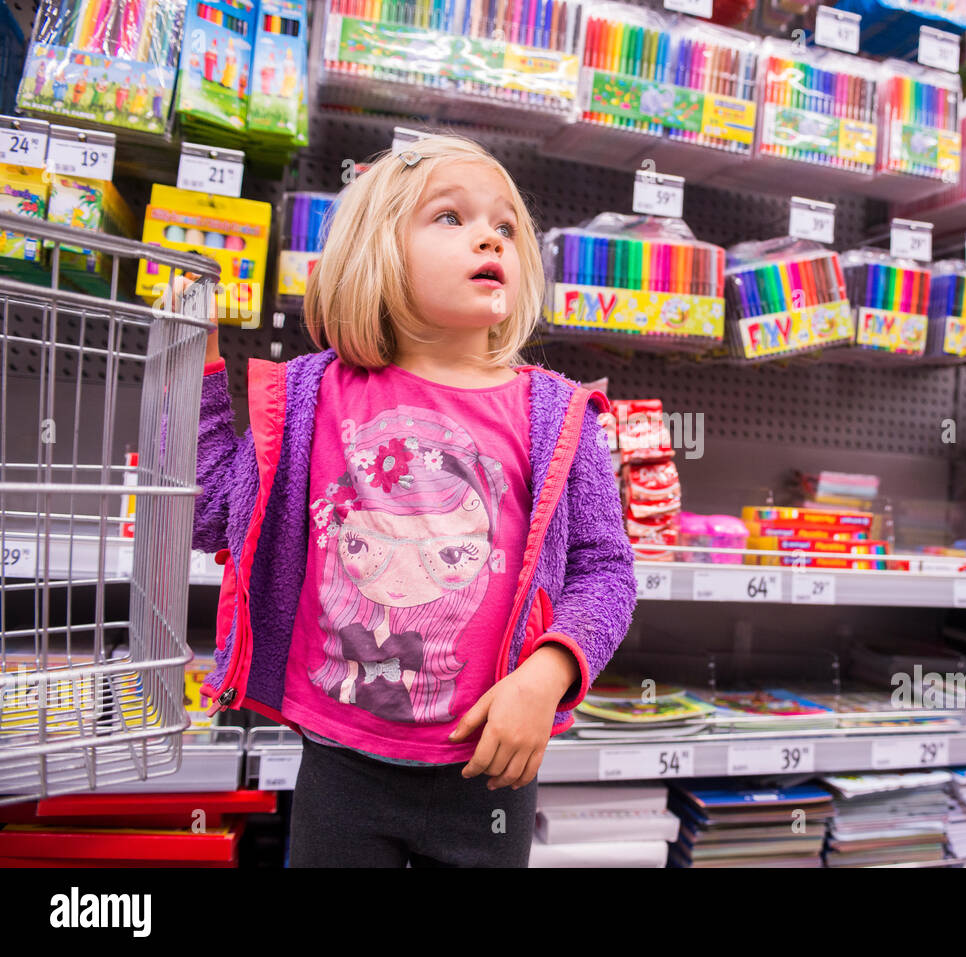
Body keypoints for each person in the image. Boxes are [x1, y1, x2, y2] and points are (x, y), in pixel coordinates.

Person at [184, 133, 637, 867]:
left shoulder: (558, 415)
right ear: (377, 250)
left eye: (507, 226)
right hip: (339, 764)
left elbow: (606, 572)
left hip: (489, 768)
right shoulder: (312, 396)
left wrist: (549, 673)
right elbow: (212, 514)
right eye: (451, 217)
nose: (490, 233)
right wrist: (192, 370)